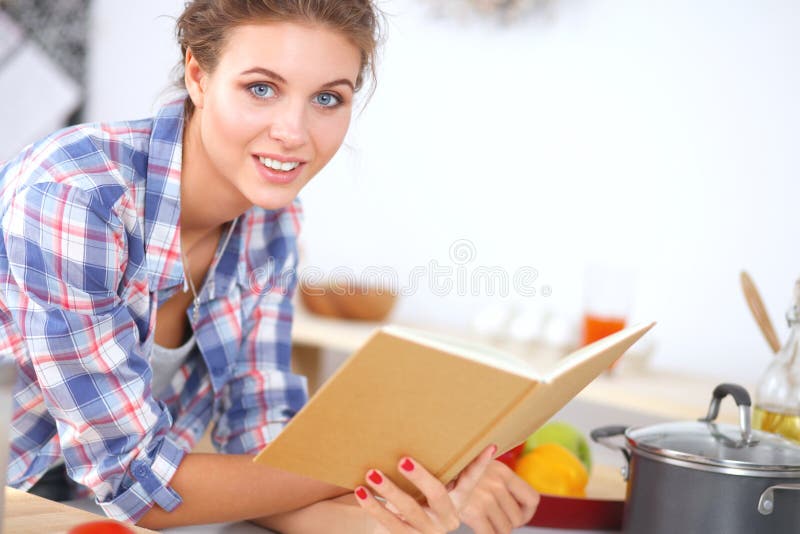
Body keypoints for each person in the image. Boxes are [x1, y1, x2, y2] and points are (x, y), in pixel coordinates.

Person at [0, 1, 540, 532]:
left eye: (327, 98)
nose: (294, 131)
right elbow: (135, 480)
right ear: (198, 75)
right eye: (262, 88)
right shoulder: (77, 195)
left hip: (88, 510)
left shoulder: (270, 224)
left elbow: (260, 440)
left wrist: (385, 518)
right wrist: (392, 467)